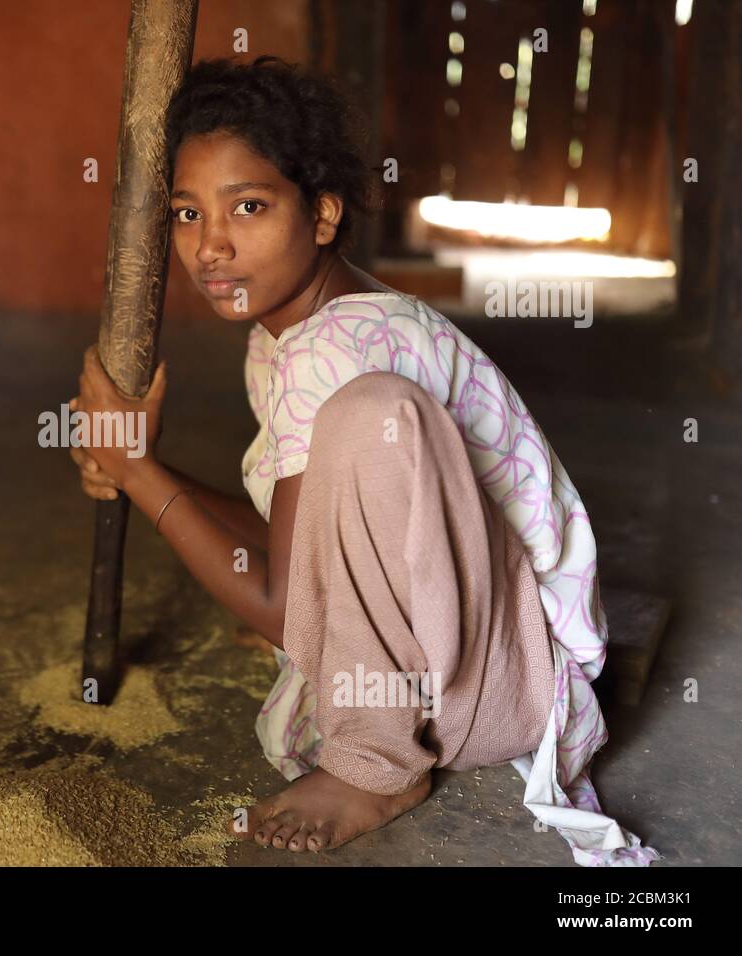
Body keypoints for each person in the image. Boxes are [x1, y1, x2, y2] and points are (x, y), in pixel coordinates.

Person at [69, 56, 657, 866]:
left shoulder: (346, 347)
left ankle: (375, 769)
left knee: (372, 414)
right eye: (186, 213)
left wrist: (138, 472)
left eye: (249, 206)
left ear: (321, 215)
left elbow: (285, 605)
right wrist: (149, 473)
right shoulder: (284, 336)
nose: (211, 246)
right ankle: (375, 738)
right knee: (360, 425)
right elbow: (302, 545)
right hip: (454, 658)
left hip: (495, 684)